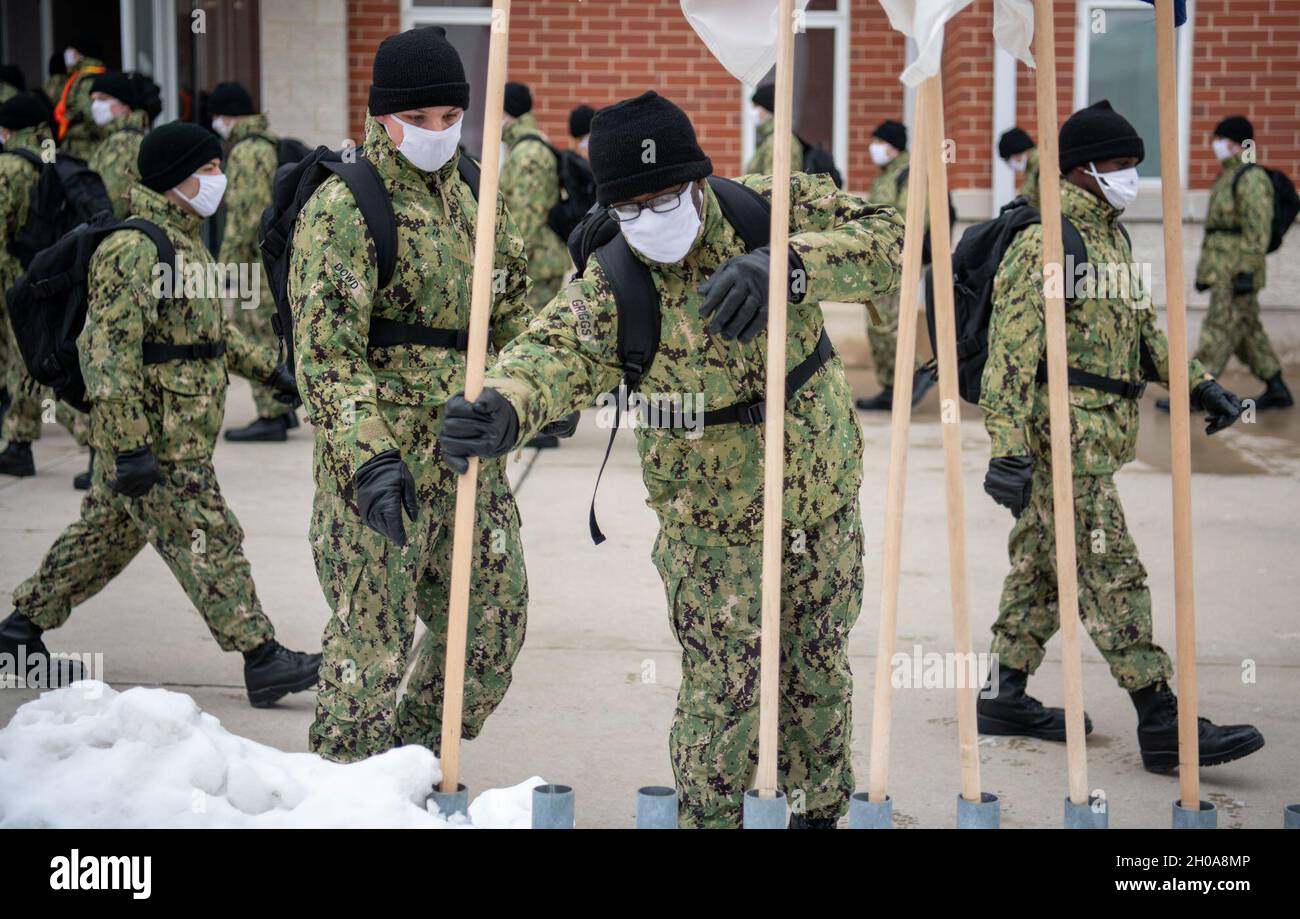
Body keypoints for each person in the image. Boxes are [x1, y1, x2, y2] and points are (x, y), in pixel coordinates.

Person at [440, 91, 905, 827]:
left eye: (665, 198)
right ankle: (710, 819)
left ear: (698, 180)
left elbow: (893, 238)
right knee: (723, 688)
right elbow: (548, 352)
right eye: (632, 207)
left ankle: (818, 813)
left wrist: (787, 266)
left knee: (816, 666)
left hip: (816, 494)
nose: (651, 217)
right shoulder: (618, 278)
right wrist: (501, 405)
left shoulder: (767, 208)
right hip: (707, 523)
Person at [976, 100, 1264, 772]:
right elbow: (1010, 356)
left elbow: (1141, 334)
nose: (1131, 175)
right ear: (1081, 169)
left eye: (1136, 164)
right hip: (1059, 440)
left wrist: (1199, 384)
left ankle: (1003, 691)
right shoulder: (1049, 241)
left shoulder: (1109, 235)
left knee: (1044, 566)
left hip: (1098, 434)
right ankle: (1159, 716)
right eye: (1119, 164)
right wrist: (1008, 448)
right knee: (1111, 569)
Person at [0, 122, 319, 707]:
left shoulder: (183, 240)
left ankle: (18, 633)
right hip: (159, 441)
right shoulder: (134, 249)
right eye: (209, 170)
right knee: (210, 537)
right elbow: (106, 354)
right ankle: (262, 657)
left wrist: (273, 372)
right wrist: (130, 447)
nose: (219, 180)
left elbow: (207, 335)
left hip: (171, 437)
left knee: (102, 539)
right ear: (176, 179)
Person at [288, 26, 535, 762]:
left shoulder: (474, 190)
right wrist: (369, 460)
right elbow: (325, 355)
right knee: (372, 648)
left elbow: (516, 298)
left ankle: (406, 766)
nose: (437, 134)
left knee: (491, 626)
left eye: (449, 118)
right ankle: (345, 792)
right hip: (382, 469)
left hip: (465, 458)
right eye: (419, 119)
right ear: (382, 115)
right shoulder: (344, 206)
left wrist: (517, 392)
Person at [1158, 115, 1292, 413]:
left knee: (1217, 331)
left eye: (1220, 140)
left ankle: (1196, 392)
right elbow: (1217, 233)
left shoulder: (1251, 179)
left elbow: (1257, 232)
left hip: (1236, 274)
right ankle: (1277, 388)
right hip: (1224, 271)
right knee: (1247, 334)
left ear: (1234, 143)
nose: (1215, 145)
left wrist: (1246, 271)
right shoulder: (1227, 177)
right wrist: (1206, 273)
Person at [208, 81, 299, 443]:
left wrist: (227, 266)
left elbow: (244, 217)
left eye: (217, 115)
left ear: (228, 116)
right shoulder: (268, 143)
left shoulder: (246, 152)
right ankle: (282, 407)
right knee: (268, 331)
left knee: (255, 335)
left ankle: (272, 413)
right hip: (272, 255)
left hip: (254, 260)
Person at [856, 119, 934, 411]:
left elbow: (913, 218)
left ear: (893, 146)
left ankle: (915, 374)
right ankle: (892, 386)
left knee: (887, 324)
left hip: (899, 257)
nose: (874, 148)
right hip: (878, 256)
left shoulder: (910, 173)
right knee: (876, 323)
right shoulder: (886, 174)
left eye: (879, 142)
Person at [0, 94, 54, 479]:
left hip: (11, 275)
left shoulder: (8, 167)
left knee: (24, 362)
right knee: (32, 359)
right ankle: (20, 440)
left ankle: (21, 443)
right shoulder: (48, 159)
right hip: (43, 272)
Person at [87, 71, 152, 218]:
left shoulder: (124, 144)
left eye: (103, 99)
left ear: (124, 105)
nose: (96, 106)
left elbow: (111, 203)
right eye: (93, 100)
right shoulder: (111, 138)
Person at [53, 38, 107, 160]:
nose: (67, 53)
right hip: (83, 145)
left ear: (80, 54)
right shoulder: (82, 76)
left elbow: (88, 113)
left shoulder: (87, 79)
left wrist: (71, 118)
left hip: (84, 147)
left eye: (71, 49)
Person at [744, 82, 802, 175]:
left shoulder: (779, 140)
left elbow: (774, 183)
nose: (752, 112)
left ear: (768, 109)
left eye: (756, 107)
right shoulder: (770, 138)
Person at [998, 126, 1039, 208]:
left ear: (1018, 152)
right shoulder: (1032, 168)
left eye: (1008, 159)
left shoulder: (1041, 166)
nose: (1009, 164)